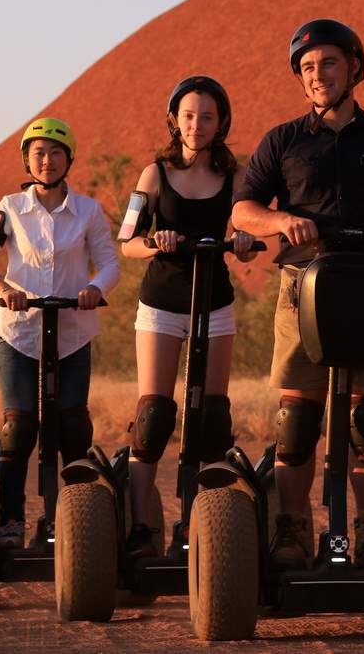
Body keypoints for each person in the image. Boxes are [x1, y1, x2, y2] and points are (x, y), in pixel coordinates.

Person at [231, 20, 364, 572]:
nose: (317, 75)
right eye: (306, 68)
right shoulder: (283, 140)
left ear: (353, 68)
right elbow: (243, 209)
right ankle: (293, 531)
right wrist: (281, 220)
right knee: (296, 422)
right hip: (301, 287)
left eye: (327, 63)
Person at [117, 76, 259, 559]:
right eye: (189, 115)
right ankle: (140, 527)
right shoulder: (153, 174)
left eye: (207, 117)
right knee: (154, 415)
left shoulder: (237, 178)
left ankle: (204, 529)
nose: (196, 125)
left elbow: (250, 231)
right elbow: (128, 242)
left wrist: (242, 242)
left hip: (214, 302)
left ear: (221, 124)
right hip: (160, 304)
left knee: (212, 418)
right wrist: (155, 241)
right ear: (174, 120)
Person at [0, 117, 120, 548]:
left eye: (55, 153)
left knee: (72, 427)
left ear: (68, 158)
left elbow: (110, 262)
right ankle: (11, 521)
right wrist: (1, 288)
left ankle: (69, 521)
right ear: (26, 160)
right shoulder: (8, 208)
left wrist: (94, 288)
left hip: (72, 332)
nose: (47, 161)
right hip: (19, 333)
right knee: (20, 426)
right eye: (38, 153)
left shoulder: (88, 210)